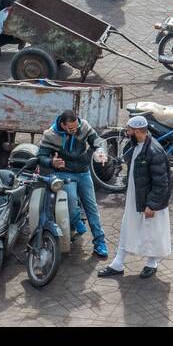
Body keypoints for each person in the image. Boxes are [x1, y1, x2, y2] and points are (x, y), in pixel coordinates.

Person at [97, 116, 171, 279]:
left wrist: (151, 205)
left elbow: (161, 182)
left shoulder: (154, 151)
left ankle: (151, 263)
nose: (126, 132)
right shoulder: (136, 145)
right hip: (135, 198)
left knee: (152, 231)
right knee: (128, 227)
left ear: (137, 132)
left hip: (148, 202)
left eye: (129, 129)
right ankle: (118, 263)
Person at [39, 109, 109, 258]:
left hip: (83, 171)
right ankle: (76, 221)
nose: (75, 130)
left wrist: (101, 151)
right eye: (71, 128)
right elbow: (41, 156)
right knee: (71, 201)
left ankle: (100, 242)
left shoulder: (83, 126)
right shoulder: (50, 135)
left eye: (76, 126)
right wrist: (51, 162)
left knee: (92, 207)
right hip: (64, 173)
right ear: (63, 125)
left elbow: (97, 141)